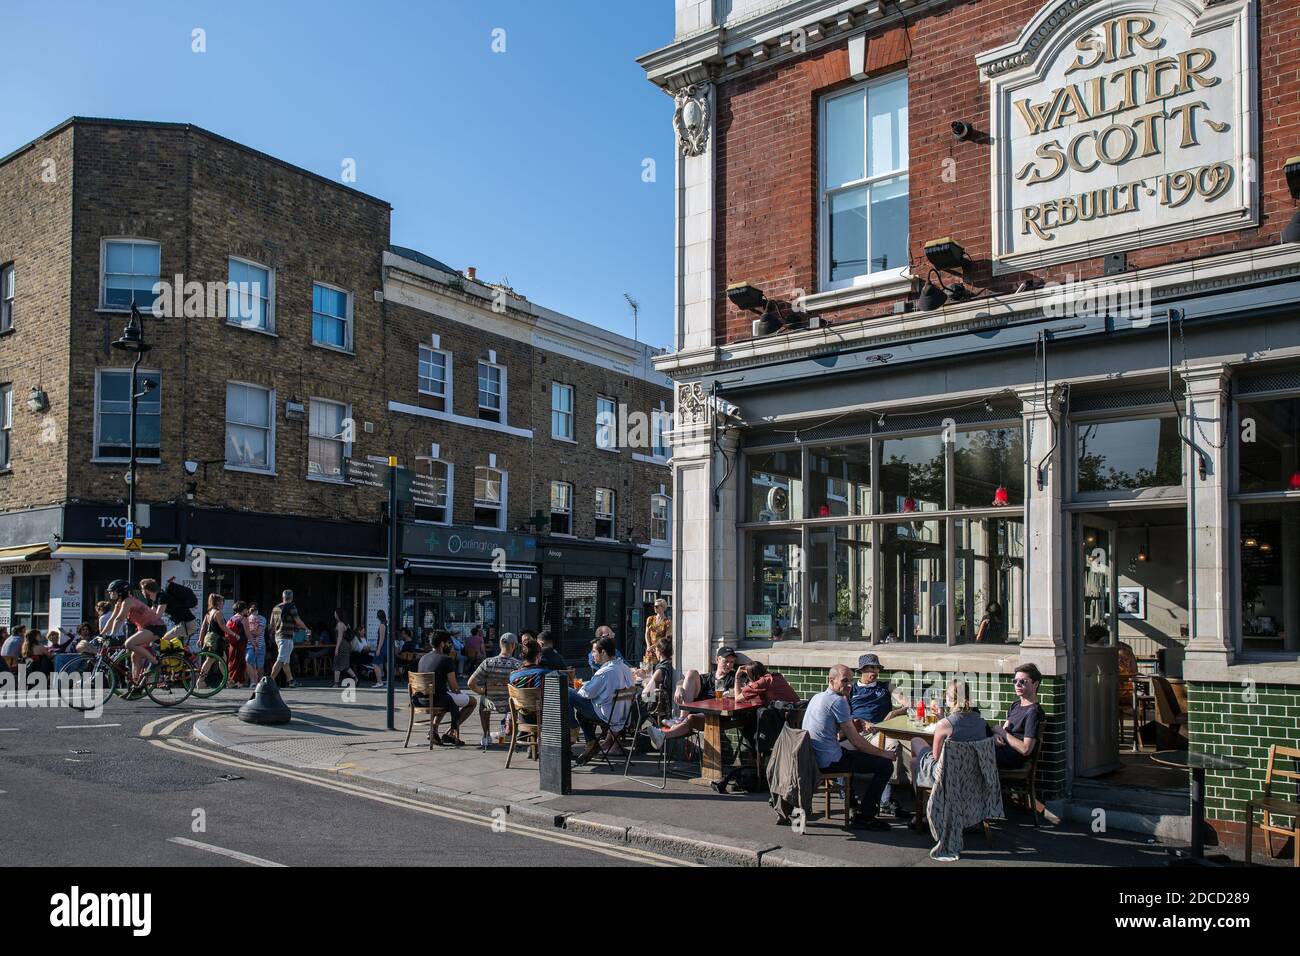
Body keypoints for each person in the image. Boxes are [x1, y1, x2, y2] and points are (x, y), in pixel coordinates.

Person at [802, 664, 899, 830]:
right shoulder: (838, 701)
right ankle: (865, 817)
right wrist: (884, 754)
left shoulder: (817, 697)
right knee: (885, 766)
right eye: (844, 681)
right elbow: (857, 741)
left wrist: (853, 726)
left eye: (851, 681)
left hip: (812, 758)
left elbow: (836, 732)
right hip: (829, 762)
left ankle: (852, 804)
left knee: (851, 755)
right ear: (831, 680)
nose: (849, 685)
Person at [908, 679, 991, 793]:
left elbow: (936, 757)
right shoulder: (981, 722)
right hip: (972, 772)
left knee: (915, 744)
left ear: (948, 698)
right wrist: (942, 717)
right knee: (914, 757)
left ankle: (926, 800)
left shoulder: (943, 725)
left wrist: (942, 720)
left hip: (947, 774)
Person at [571, 635, 635, 764]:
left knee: (567, 692)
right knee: (580, 713)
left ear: (603, 652)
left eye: (594, 651)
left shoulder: (605, 671)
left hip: (607, 714)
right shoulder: (624, 668)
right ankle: (591, 743)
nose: (592, 654)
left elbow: (586, 693)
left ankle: (571, 733)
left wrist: (579, 688)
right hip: (622, 715)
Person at [101, 579, 169, 684]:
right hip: (145, 627)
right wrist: (102, 634)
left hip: (156, 627)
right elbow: (112, 620)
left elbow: (119, 619)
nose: (110, 593)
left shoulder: (128, 601)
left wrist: (111, 635)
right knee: (134, 656)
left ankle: (155, 662)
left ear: (120, 592)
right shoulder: (119, 603)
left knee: (129, 643)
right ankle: (136, 684)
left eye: (112, 591)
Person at [418, 630, 476, 746]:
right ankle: (451, 732)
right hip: (438, 699)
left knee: (447, 699)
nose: (450, 645)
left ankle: (433, 731)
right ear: (442, 644)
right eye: (448, 643)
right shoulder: (446, 660)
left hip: (421, 699)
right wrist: (460, 693)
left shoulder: (423, 659)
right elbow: (454, 688)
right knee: (472, 702)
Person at [467, 632, 520, 747]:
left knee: (483, 702)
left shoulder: (488, 663)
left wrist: (482, 691)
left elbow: (470, 683)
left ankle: (486, 736)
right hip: (509, 705)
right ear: (513, 646)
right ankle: (514, 734)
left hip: (490, 703)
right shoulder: (518, 665)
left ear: (501, 645)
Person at [996, 663, 1045, 770]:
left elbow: (1026, 749)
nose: (1017, 685)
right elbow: (1003, 731)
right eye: (1015, 681)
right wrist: (996, 736)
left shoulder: (1033, 712)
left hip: (1012, 757)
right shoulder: (1016, 705)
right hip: (1002, 750)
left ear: (1035, 684)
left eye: (1022, 681)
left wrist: (1001, 732)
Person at [140, 577, 199, 650]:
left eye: (142, 589)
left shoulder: (162, 597)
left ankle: (185, 658)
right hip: (183, 624)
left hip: (188, 625)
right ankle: (183, 658)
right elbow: (150, 614)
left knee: (165, 640)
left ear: (147, 590)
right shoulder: (157, 599)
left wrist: (146, 625)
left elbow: (157, 616)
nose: (141, 591)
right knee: (171, 646)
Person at [197, 593, 239, 687]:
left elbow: (203, 627)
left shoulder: (209, 613)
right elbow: (222, 626)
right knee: (210, 660)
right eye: (222, 602)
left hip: (210, 638)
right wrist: (234, 634)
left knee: (222, 659)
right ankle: (200, 680)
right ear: (218, 602)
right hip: (215, 639)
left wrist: (200, 639)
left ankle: (227, 680)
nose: (223, 604)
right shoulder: (218, 613)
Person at [269, 590, 307, 688]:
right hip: (286, 637)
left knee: (285, 661)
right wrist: (306, 628)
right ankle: (270, 681)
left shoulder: (275, 608)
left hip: (278, 637)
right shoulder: (292, 607)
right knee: (281, 659)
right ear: (292, 597)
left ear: (283, 597)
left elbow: (271, 625)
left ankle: (290, 681)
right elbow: (297, 620)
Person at [226, 601, 250, 688]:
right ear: (243, 610)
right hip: (240, 643)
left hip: (232, 643)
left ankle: (232, 680)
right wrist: (253, 643)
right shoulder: (243, 619)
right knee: (240, 662)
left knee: (232, 661)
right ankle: (234, 681)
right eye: (246, 609)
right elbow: (248, 633)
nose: (247, 610)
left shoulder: (232, 618)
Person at [332, 609, 358, 687]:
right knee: (345, 665)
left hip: (342, 645)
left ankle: (336, 683)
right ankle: (356, 678)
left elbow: (340, 637)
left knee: (337, 664)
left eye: (335, 613)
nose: (334, 614)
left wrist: (337, 648)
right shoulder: (346, 624)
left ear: (338, 614)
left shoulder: (340, 624)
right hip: (346, 645)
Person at [644, 598, 671, 664]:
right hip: (650, 649)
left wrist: (654, 646)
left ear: (663, 607)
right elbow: (647, 634)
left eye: (656, 606)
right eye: (654, 606)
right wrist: (648, 645)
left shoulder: (667, 622)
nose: (654, 608)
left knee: (658, 667)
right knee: (648, 669)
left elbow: (666, 638)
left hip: (660, 649)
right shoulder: (650, 619)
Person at [244, 603, 265, 685]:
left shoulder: (262, 619)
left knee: (259, 666)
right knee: (250, 663)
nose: (253, 612)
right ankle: (251, 682)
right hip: (250, 645)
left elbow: (258, 632)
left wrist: (248, 631)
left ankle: (260, 684)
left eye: (255, 610)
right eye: (252, 610)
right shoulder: (246, 619)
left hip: (260, 645)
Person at [369, 609, 388, 687]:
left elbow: (381, 638)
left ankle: (379, 682)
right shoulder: (386, 624)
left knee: (375, 663)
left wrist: (378, 649)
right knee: (386, 664)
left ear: (378, 616)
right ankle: (388, 682)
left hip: (382, 647)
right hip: (386, 646)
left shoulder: (382, 625)